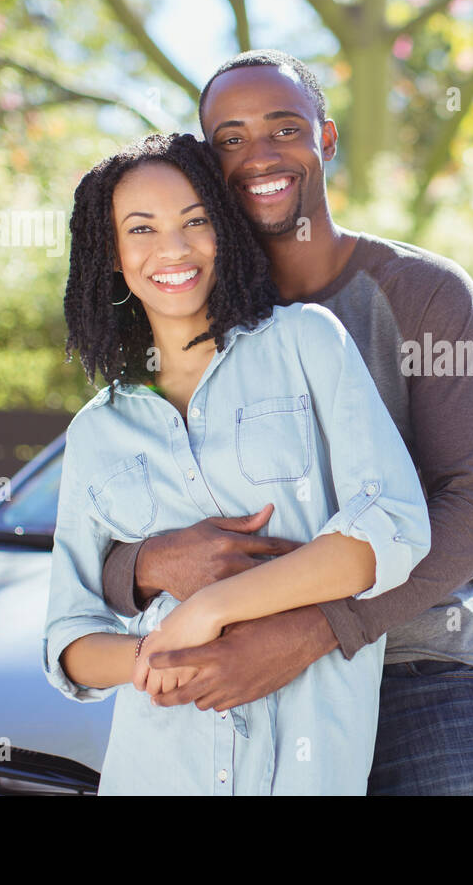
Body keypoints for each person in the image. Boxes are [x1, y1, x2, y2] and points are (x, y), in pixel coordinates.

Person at [98, 50, 473, 795]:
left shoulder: (425, 295)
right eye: (229, 138)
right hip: (235, 683)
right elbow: (99, 536)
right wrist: (147, 564)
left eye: (283, 129)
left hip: (415, 671)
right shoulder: (181, 313)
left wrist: (313, 631)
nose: (258, 154)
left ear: (325, 140)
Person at [41, 132, 431, 794]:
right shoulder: (96, 433)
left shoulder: (307, 343)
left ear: (222, 229)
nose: (173, 249)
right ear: (111, 254)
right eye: (142, 229)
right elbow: (70, 637)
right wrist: (154, 659)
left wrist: (209, 609)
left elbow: (390, 527)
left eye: (195, 221)